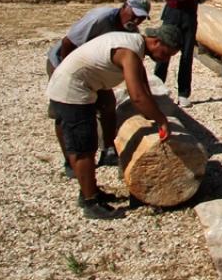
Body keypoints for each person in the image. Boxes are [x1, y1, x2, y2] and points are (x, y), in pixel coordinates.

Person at [46, 23, 181, 220]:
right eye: (166, 53)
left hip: (82, 84)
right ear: (156, 41)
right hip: (71, 88)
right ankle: (90, 201)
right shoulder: (129, 53)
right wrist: (161, 120)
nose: (165, 58)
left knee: (88, 139)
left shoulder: (134, 46)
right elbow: (137, 96)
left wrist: (155, 112)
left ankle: (90, 190)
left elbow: (143, 85)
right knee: (84, 147)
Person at [45, 0, 151, 177]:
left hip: (94, 71)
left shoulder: (131, 33)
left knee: (107, 105)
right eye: (133, 14)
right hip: (64, 63)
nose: (135, 20)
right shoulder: (99, 18)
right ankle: (70, 160)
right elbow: (68, 43)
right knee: (65, 114)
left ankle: (108, 149)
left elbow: (136, 67)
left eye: (141, 17)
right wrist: (64, 72)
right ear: (124, 7)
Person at [154, 0, 208, 108]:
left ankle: (184, 93)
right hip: (171, 13)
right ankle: (157, 89)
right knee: (163, 51)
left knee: (186, 55)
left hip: (189, 16)